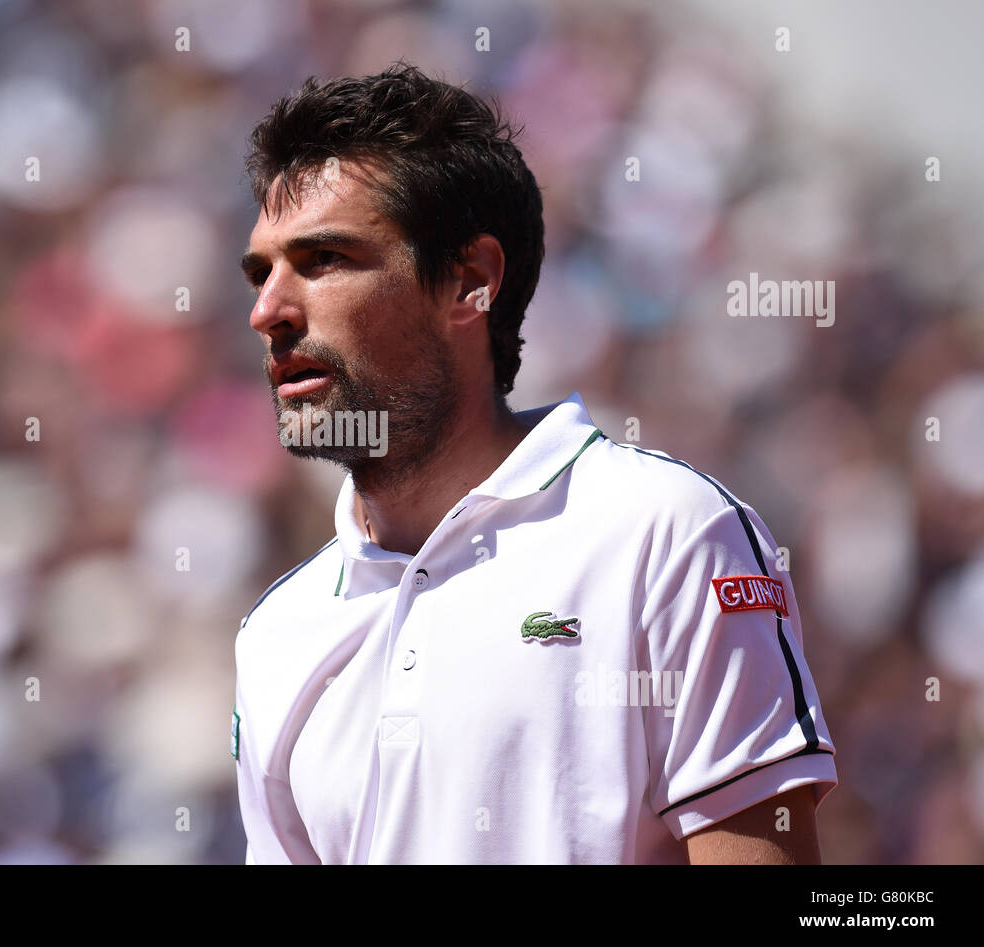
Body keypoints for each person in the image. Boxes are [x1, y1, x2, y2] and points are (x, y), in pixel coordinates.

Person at [232, 63, 837, 864]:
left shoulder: (666, 534)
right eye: (261, 270)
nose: (267, 310)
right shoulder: (278, 631)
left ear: (470, 283)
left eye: (323, 260)